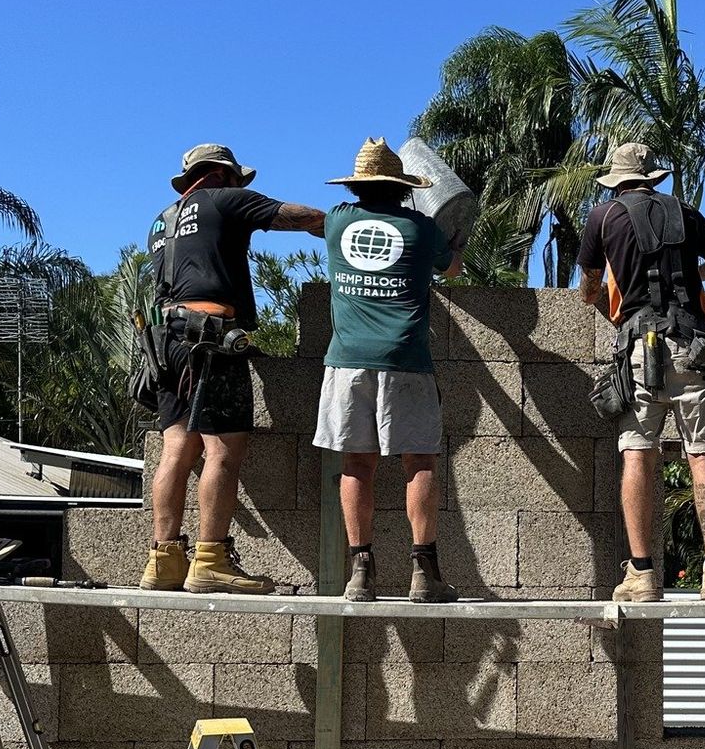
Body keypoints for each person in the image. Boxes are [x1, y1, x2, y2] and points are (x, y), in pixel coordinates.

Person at [140, 143, 325, 594]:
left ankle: (163, 562)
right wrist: (344, 223)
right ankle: (211, 560)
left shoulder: (162, 221)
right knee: (223, 451)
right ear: (224, 174)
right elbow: (296, 217)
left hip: (166, 343)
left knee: (176, 453)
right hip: (210, 342)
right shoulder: (224, 197)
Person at [578, 142, 705, 603]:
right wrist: (688, 277)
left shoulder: (603, 217)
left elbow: (590, 287)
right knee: (704, 456)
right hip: (694, 347)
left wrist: (607, 291)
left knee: (637, 455)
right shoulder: (686, 214)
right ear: (653, 178)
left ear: (617, 180)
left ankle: (641, 575)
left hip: (640, 350)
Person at [313, 138, 463, 603]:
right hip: (407, 362)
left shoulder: (338, 222)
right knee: (419, 462)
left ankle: (361, 572)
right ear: (402, 189)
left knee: (357, 463)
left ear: (357, 187)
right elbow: (453, 269)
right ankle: (424, 572)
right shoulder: (421, 229)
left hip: (347, 361)